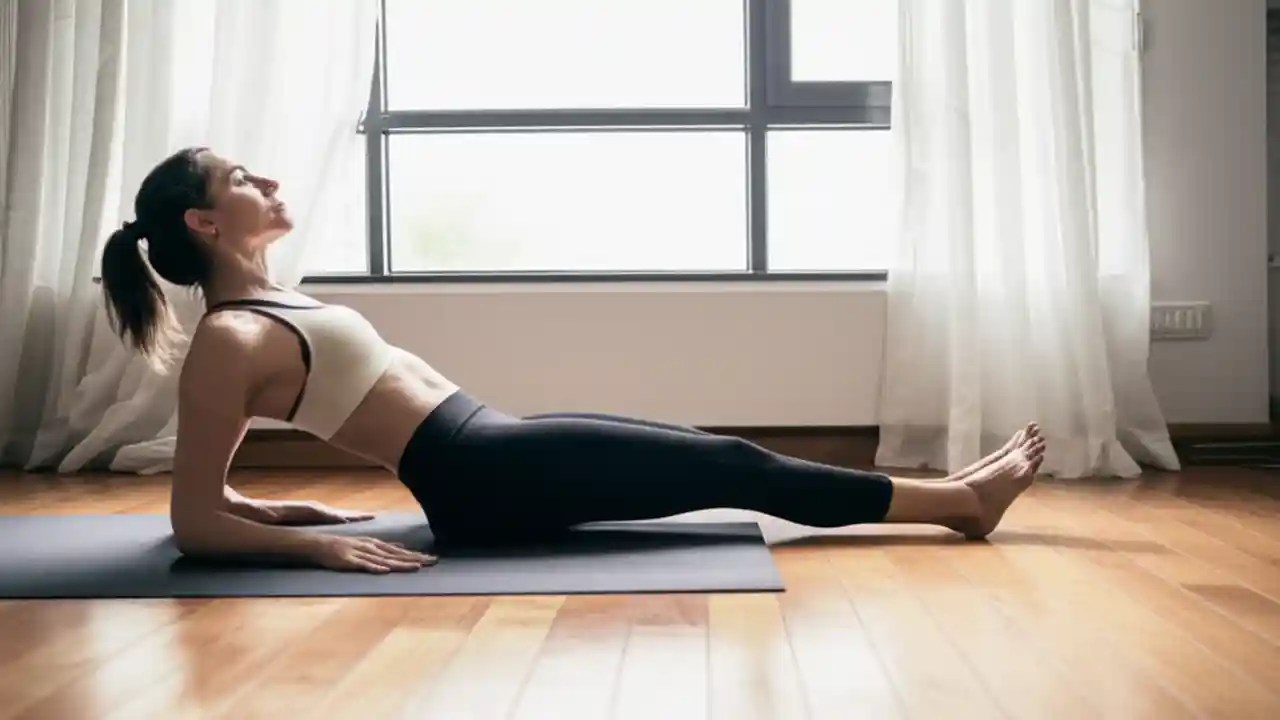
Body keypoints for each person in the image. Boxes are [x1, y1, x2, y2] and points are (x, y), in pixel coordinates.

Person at [99, 147, 1047, 575]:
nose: (265, 178)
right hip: (474, 469)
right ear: (202, 222)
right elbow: (193, 519)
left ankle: (949, 491)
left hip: (486, 449)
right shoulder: (228, 340)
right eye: (239, 179)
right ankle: (962, 505)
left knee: (712, 453)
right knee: (730, 467)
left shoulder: (272, 301)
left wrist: (279, 503)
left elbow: (221, 500)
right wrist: (313, 544)